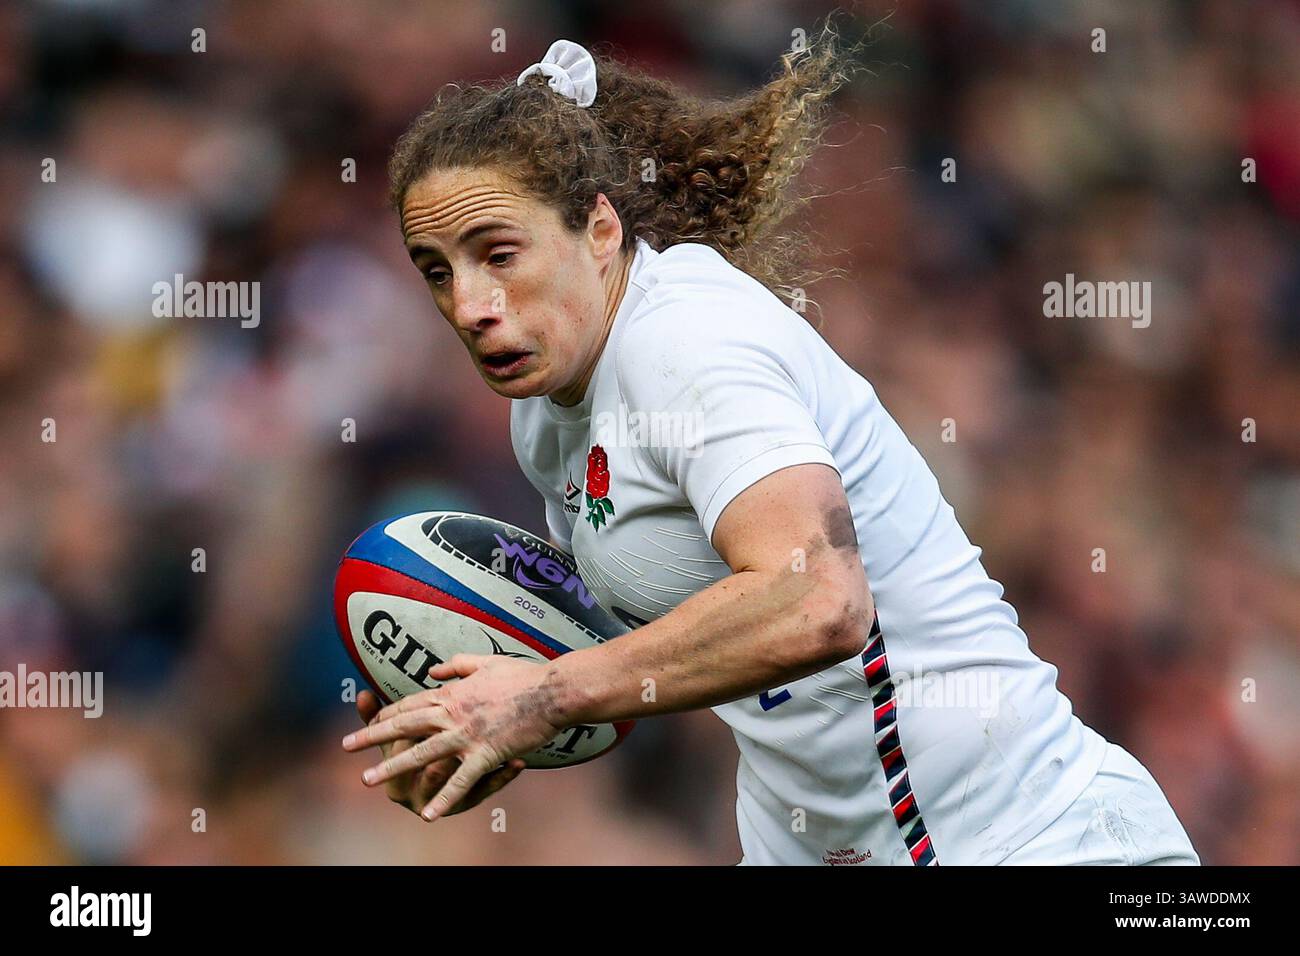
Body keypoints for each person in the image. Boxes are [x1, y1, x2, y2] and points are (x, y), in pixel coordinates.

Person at [341, 27, 1200, 865]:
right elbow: (649, 646)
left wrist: (544, 696)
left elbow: (818, 602)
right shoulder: (545, 415)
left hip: (1019, 834)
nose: (470, 305)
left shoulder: (687, 341)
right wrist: (473, 712)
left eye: (499, 254)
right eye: (437, 270)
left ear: (601, 230)